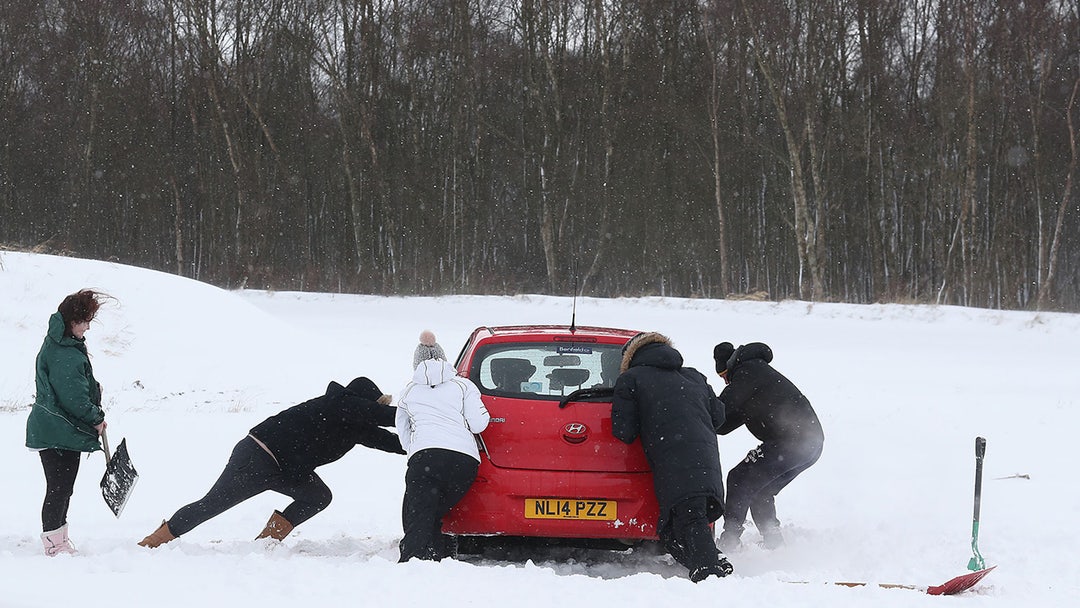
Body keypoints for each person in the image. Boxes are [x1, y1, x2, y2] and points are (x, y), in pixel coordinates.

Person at [138, 377, 404, 548]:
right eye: (371, 407)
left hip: (287, 469)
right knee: (212, 504)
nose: (369, 414)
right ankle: (155, 541)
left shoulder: (354, 426)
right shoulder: (338, 404)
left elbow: (391, 441)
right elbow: (381, 415)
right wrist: (424, 412)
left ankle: (267, 542)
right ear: (359, 401)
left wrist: (429, 440)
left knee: (318, 496)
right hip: (256, 456)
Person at [611, 332, 733, 582]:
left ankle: (710, 573)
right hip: (704, 457)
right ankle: (713, 560)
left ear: (631, 358)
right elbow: (719, 418)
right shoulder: (695, 377)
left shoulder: (632, 379)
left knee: (688, 517)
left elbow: (624, 431)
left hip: (672, 458)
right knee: (678, 524)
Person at [712, 341, 824, 551]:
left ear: (730, 365)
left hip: (792, 442)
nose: (726, 381)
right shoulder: (755, 376)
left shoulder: (748, 371)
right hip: (810, 444)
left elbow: (719, 410)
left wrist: (700, 402)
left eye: (725, 375)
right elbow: (723, 424)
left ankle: (729, 541)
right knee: (761, 490)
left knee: (739, 478)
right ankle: (774, 542)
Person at [26, 289, 110, 556]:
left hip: (58, 429)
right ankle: (54, 544)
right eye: (85, 321)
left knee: (63, 487)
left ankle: (59, 538)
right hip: (56, 430)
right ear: (73, 320)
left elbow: (75, 387)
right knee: (59, 488)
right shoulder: (64, 351)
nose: (87, 327)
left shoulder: (62, 344)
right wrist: (95, 418)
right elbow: (72, 396)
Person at [395, 330, 489, 562]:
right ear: (445, 359)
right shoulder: (464, 386)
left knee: (420, 512)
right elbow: (478, 425)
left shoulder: (409, 392)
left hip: (424, 458)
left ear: (416, 364)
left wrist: (415, 451)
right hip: (463, 461)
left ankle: (412, 559)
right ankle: (435, 553)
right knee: (435, 509)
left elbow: (403, 431)